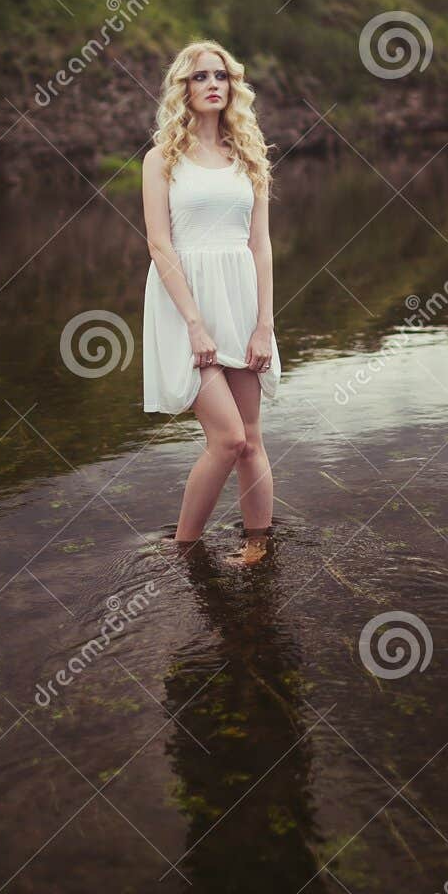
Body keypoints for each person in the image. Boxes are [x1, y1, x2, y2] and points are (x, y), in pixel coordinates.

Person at [141, 41, 281, 562]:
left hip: (241, 303)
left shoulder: (249, 155)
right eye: (200, 77)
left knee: (252, 439)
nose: (213, 84)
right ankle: (185, 550)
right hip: (186, 307)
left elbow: (260, 244)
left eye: (220, 75)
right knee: (227, 439)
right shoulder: (162, 159)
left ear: (232, 85)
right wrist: (195, 324)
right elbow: (159, 244)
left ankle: (258, 545)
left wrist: (264, 324)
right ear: (184, 88)